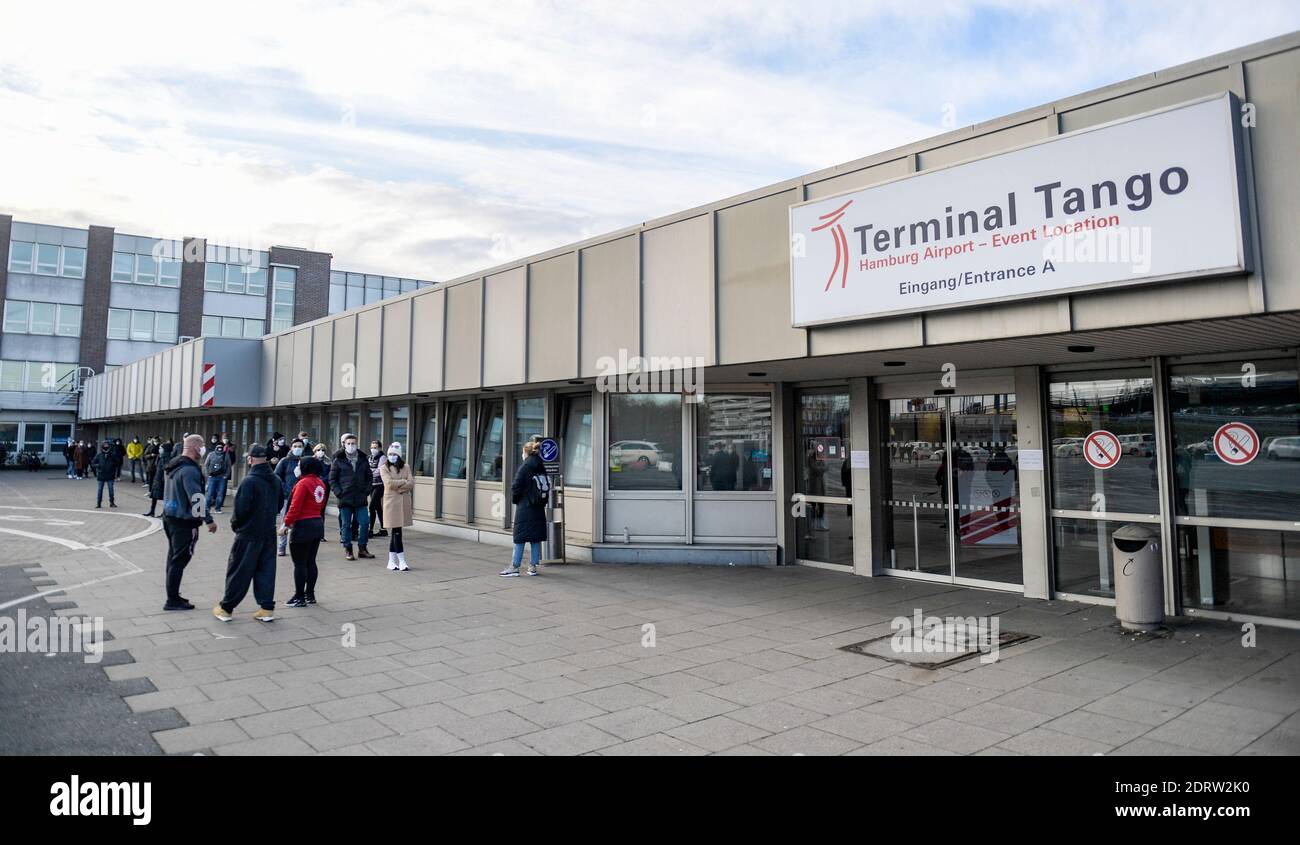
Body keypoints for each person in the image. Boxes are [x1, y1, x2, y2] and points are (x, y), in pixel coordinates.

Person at [213, 444, 282, 623]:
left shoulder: (249, 481)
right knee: (266, 570)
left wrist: (237, 526)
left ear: (250, 459)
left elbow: (240, 511)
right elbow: (280, 504)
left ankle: (226, 608)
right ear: (266, 459)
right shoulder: (275, 479)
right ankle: (266, 609)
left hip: (248, 534)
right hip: (268, 531)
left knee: (239, 571)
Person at [161, 434, 217, 611]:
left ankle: (173, 595)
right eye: (202, 446)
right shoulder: (190, 470)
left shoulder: (174, 465)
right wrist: (208, 520)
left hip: (169, 516)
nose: (204, 449)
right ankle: (172, 600)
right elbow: (196, 497)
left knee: (173, 559)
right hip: (184, 522)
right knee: (180, 560)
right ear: (195, 447)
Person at [282, 455, 327, 607]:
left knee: (300, 564)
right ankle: (310, 595)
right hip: (317, 523)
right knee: (311, 561)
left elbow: (295, 507)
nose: (297, 467)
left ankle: (299, 597)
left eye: (300, 464)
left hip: (303, 525)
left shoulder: (303, 483)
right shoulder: (320, 482)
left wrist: (286, 524)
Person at [500, 439, 548, 577]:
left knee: (519, 537)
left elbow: (516, 486)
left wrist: (516, 500)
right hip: (538, 506)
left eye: (522, 452)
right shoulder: (541, 466)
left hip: (525, 506)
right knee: (535, 538)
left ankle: (514, 567)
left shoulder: (525, 467)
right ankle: (533, 567)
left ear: (526, 453)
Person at [331, 433, 373, 561]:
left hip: (360, 497)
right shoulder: (338, 460)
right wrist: (339, 492)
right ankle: (348, 548)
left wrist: (367, 490)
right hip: (345, 498)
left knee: (365, 523)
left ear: (356, 444)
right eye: (348, 444)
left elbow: (369, 477)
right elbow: (332, 479)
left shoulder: (363, 459)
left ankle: (362, 548)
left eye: (353, 443)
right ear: (344, 445)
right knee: (346, 524)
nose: (351, 446)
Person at [380, 443, 413, 571]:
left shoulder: (406, 467)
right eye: (390, 454)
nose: (392, 456)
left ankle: (391, 561)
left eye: (394, 454)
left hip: (403, 501)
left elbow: (411, 483)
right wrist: (403, 482)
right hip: (391, 503)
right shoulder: (384, 468)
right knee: (397, 532)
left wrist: (399, 488)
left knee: (396, 532)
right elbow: (388, 483)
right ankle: (402, 561)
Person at [273, 438, 306, 557]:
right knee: (285, 521)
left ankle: (297, 547)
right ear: (291, 448)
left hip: (302, 497)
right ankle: (281, 547)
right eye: (295, 446)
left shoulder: (305, 461)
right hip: (287, 496)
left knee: (300, 523)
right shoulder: (285, 461)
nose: (298, 448)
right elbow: (276, 476)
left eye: (300, 446)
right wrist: (284, 488)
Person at [203, 435, 231, 515]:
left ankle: (217, 508)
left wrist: (226, 475)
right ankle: (207, 508)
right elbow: (206, 465)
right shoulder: (211, 454)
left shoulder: (225, 455)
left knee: (220, 493)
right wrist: (208, 474)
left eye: (221, 448)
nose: (219, 450)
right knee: (210, 493)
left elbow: (228, 466)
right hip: (212, 477)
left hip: (221, 477)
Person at [367, 440, 387, 538]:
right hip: (371, 484)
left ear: (379, 448)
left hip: (379, 485)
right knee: (378, 507)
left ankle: (370, 529)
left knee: (371, 507)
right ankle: (383, 529)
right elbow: (367, 468)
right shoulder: (369, 457)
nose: (373, 449)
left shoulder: (382, 457)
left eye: (375, 447)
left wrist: (369, 473)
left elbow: (380, 470)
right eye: (372, 447)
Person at [90, 440, 119, 508]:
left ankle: (112, 503)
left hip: (110, 475)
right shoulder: (99, 455)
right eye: (104, 445)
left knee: (111, 490)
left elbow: (118, 463)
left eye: (107, 445)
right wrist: (98, 465)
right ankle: (98, 503)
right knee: (100, 490)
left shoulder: (112, 455)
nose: (106, 447)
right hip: (101, 475)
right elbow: (93, 463)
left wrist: (112, 465)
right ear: (102, 446)